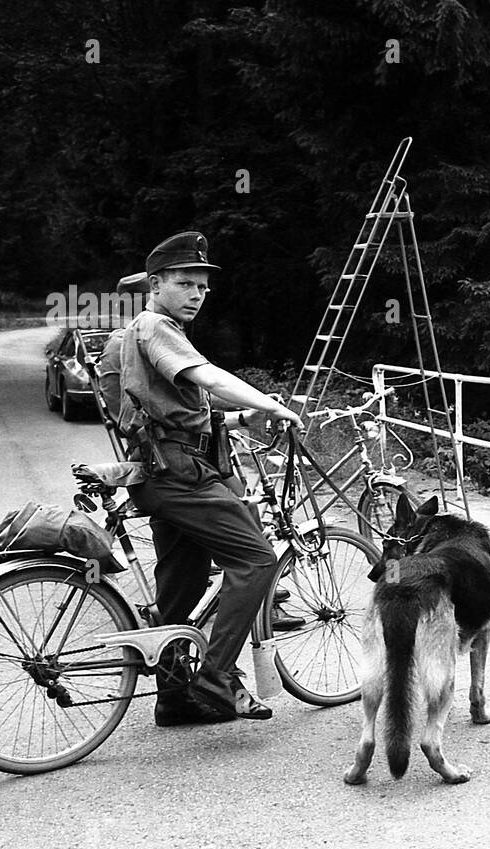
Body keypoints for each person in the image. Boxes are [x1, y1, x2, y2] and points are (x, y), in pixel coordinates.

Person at [118, 231, 304, 726]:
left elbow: (186, 408)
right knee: (258, 558)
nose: (197, 295)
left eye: (202, 287)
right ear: (155, 284)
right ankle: (216, 676)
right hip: (181, 474)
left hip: (162, 470)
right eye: (185, 284)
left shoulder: (155, 330)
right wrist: (270, 404)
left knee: (182, 585)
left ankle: (176, 700)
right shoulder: (155, 327)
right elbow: (211, 379)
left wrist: (243, 420)